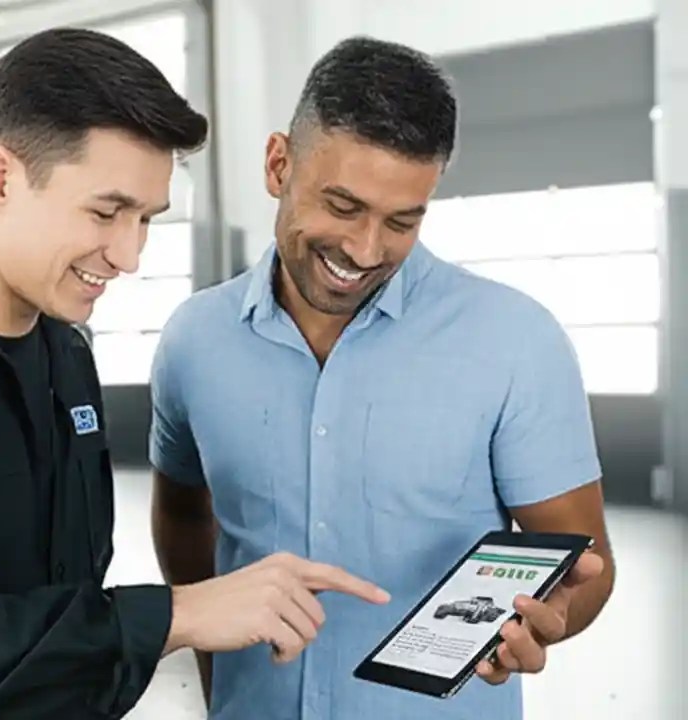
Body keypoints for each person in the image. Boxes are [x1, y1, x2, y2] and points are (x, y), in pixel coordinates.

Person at [0, 27, 391, 720]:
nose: (128, 254)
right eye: (106, 212)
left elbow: (72, 606)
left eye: (147, 219)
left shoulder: (65, 356)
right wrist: (176, 615)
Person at [149, 36, 616, 720]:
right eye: (342, 207)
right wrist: (214, 664)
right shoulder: (193, 340)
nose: (366, 250)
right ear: (279, 164)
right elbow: (186, 516)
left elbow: (585, 566)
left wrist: (551, 617)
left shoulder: (517, 340)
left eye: (402, 221)